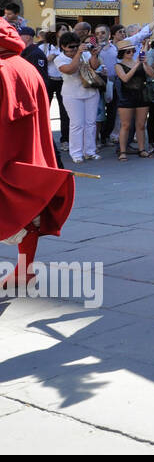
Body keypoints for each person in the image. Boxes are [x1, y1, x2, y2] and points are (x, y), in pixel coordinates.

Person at [1, 19, 75, 292]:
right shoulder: (26, 67)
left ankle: (24, 273)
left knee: (17, 217)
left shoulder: (4, 67)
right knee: (27, 215)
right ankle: (24, 271)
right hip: (29, 154)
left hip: (5, 154)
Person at [53, 31, 102, 162]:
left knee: (91, 123)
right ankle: (76, 153)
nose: (74, 49)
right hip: (72, 94)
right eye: (71, 47)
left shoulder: (85, 53)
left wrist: (94, 55)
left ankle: (90, 151)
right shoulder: (59, 59)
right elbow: (70, 69)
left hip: (90, 91)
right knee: (76, 124)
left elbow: (95, 66)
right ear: (63, 47)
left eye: (76, 46)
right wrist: (79, 53)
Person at [115, 40, 151, 160]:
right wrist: (136, 65)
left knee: (141, 125)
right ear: (122, 53)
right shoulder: (118, 65)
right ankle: (123, 151)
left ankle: (142, 149)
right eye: (128, 51)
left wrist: (145, 64)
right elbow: (125, 79)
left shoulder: (140, 62)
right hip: (126, 97)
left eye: (132, 50)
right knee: (125, 125)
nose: (131, 53)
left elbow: (152, 74)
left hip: (142, 95)